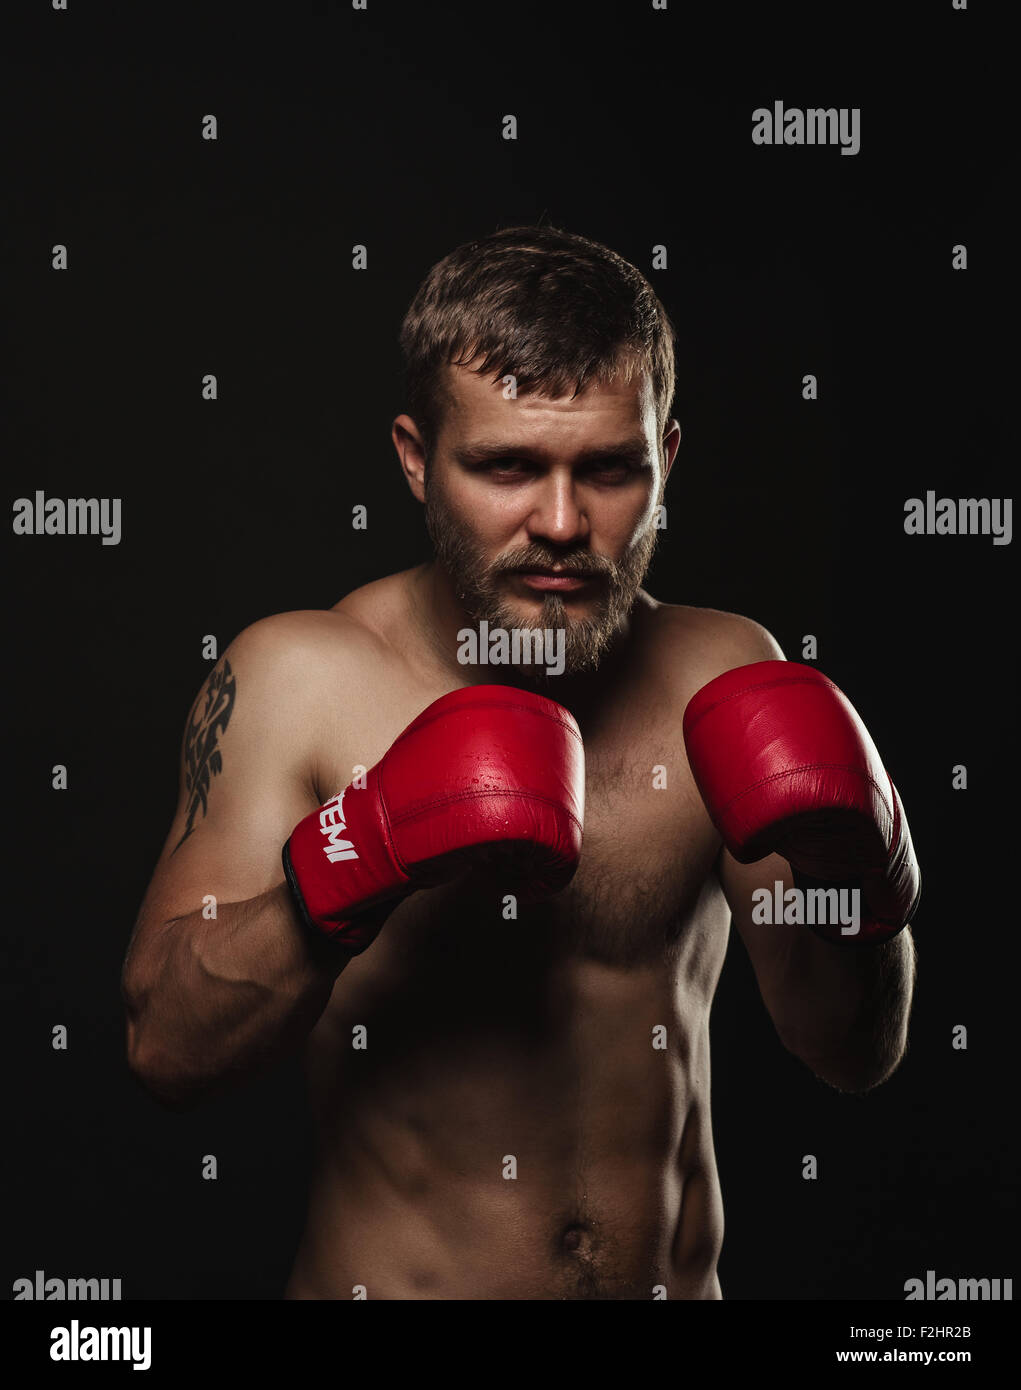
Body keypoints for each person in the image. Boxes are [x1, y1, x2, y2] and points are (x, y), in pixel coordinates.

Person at [122, 225, 919, 1300]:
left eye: (607, 470)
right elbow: (166, 1049)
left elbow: (850, 1051)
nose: (559, 522)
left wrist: (864, 884)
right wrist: (359, 852)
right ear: (414, 457)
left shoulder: (724, 674)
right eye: (505, 467)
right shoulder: (295, 680)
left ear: (665, 459)